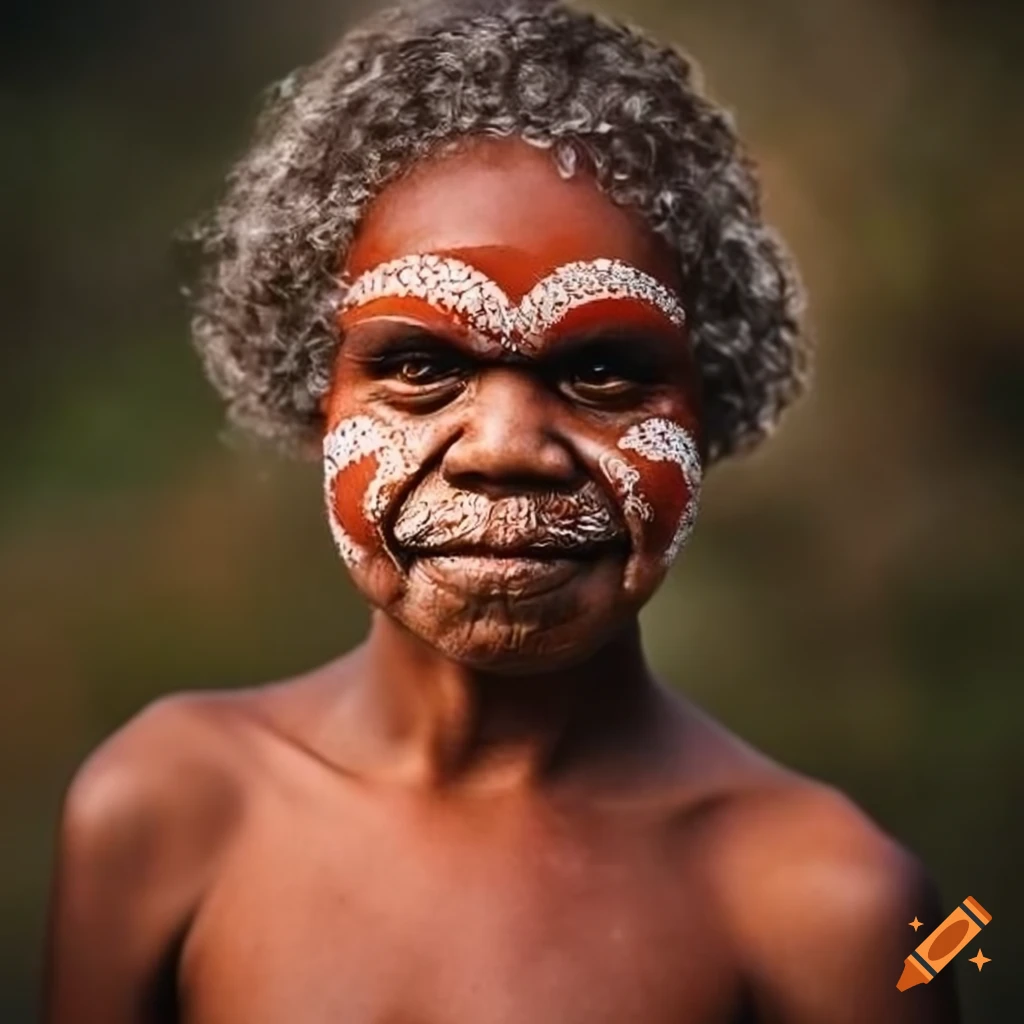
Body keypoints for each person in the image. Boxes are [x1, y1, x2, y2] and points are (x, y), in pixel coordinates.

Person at [44, 2, 960, 1022]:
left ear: (711, 410)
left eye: (604, 370)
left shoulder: (833, 907)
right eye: (420, 367)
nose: (505, 448)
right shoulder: (167, 810)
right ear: (315, 400)